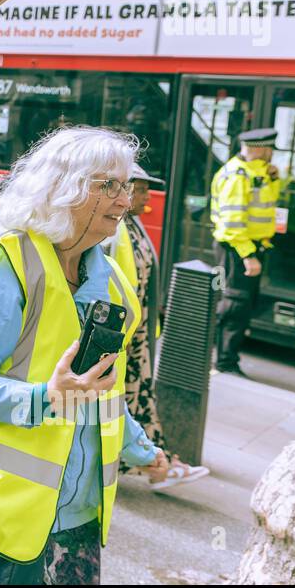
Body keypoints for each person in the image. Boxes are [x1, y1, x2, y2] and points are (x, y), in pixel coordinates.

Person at [0, 126, 167, 585]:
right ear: (61, 187)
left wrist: (142, 450)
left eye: (126, 186)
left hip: (77, 524)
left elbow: (100, 393)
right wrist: (45, 396)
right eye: (108, 185)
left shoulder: (112, 283)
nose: (125, 200)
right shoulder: (5, 267)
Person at [109, 163, 209, 491]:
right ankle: (159, 465)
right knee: (122, 402)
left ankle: (154, 462)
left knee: (138, 400)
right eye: (140, 188)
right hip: (117, 333)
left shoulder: (132, 225)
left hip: (132, 334)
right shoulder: (111, 228)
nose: (147, 195)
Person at [211, 127, 282, 377]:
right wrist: (248, 255)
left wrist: (274, 179)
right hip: (237, 249)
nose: (272, 153)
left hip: (249, 247)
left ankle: (226, 358)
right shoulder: (236, 176)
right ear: (260, 149)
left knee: (239, 303)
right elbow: (232, 224)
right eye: (269, 148)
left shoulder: (256, 173)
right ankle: (225, 362)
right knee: (234, 304)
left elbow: (265, 204)